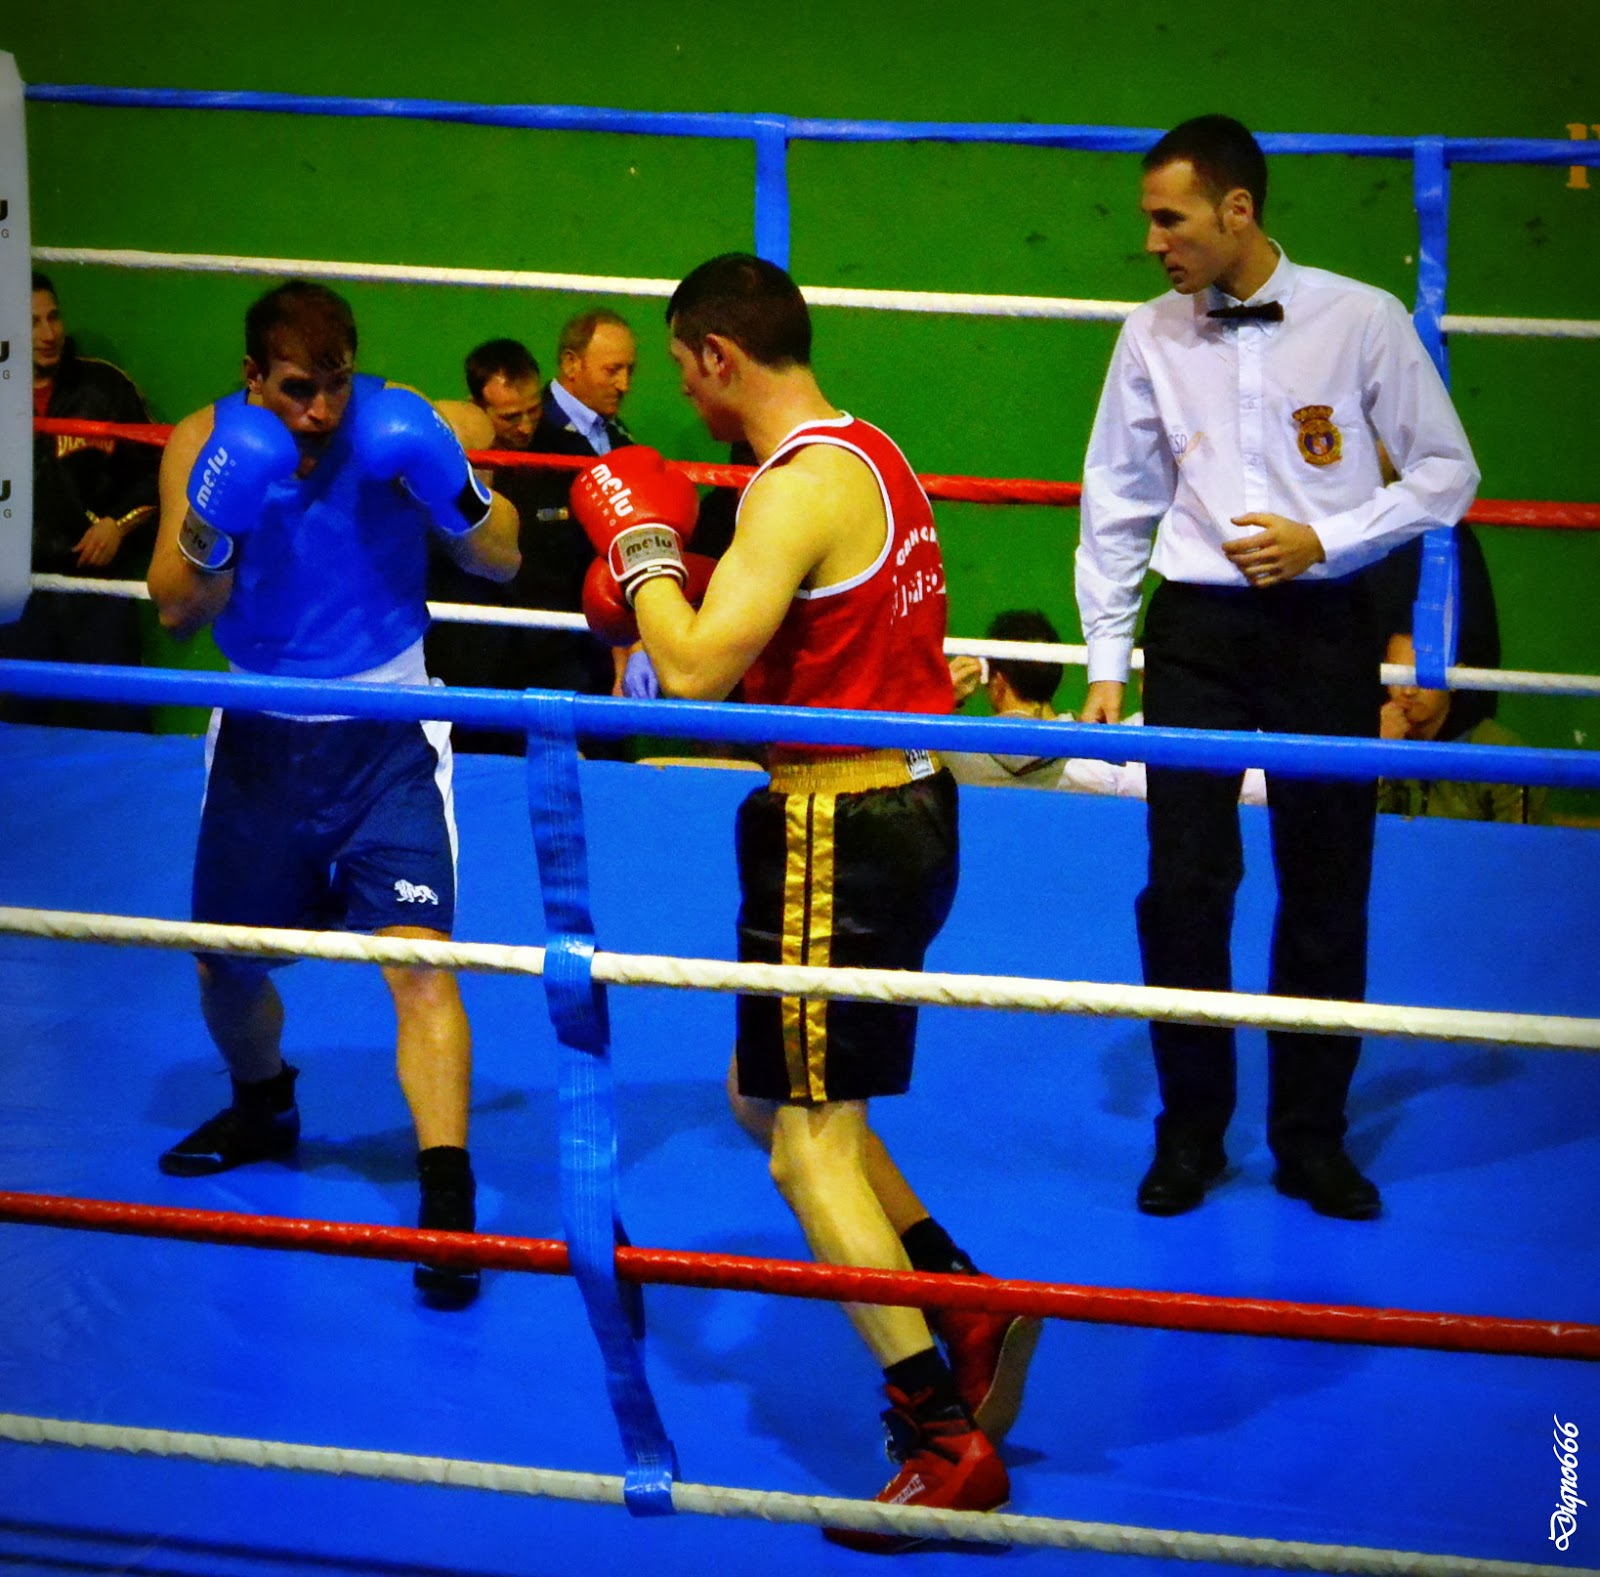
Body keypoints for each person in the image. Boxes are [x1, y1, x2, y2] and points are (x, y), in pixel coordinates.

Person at [570, 254, 1036, 1550]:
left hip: (840, 819)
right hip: (907, 798)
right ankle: (960, 1298)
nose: (681, 396)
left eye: (680, 368)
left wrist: (646, 545)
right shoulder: (874, 454)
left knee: (804, 1142)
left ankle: (939, 1440)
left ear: (719, 354)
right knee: (762, 1091)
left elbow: (696, 666)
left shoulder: (792, 489)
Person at [1074, 116, 1480, 1222]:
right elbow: (1115, 497)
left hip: (1322, 629)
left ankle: (1310, 1138)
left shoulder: (1361, 318)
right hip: (1196, 632)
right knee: (1184, 887)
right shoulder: (1147, 334)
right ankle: (1188, 1133)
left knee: (1324, 884)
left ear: (1236, 210)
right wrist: (1106, 655)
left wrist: (1331, 539)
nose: (1153, 240)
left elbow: (1449, 468)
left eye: (1170, 218)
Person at [146, 280, 521, 1309]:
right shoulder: (202, 443)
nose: (319, 412)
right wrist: (214, 523)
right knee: (225, 969)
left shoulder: (405, 427)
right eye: (298, 390)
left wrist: (457, 488)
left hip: (389, 728)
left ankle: (448, 1198)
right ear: (252, 377)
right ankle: (263, 1100)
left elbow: (504, 556)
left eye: (336, 386)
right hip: (262, 730)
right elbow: (176, 611)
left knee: (422, 967)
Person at [425, 337, 611, 751]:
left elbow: (603, 555)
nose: (525, 425)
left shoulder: (571, 456)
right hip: (471, 664)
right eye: (510, 417)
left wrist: (623, 650)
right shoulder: (448, 465)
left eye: (532, 409)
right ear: (478, 407)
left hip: (558, 660)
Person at [0, 272, 160, 731]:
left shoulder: (103, 386)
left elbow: (158, 469)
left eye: (53, 317)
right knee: (15, 735)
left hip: (94, 587)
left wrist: (119, 523)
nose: (48, 334)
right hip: (15, 591)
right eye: (30, 322)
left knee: (118, 723)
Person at [946, 610, 1267, 802]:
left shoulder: (955, 758)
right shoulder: (1109, 760)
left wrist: (947, 700)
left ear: (996, 680)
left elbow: (907, 758)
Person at [1367, 527, 1546, 823]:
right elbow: (1358, 840)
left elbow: (1522, 856)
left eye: (1423, 676)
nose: (1408, 691)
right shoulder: (1375, 740)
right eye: (1398, 674)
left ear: (1456, 678)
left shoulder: (1502, 758)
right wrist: (1377, 758)